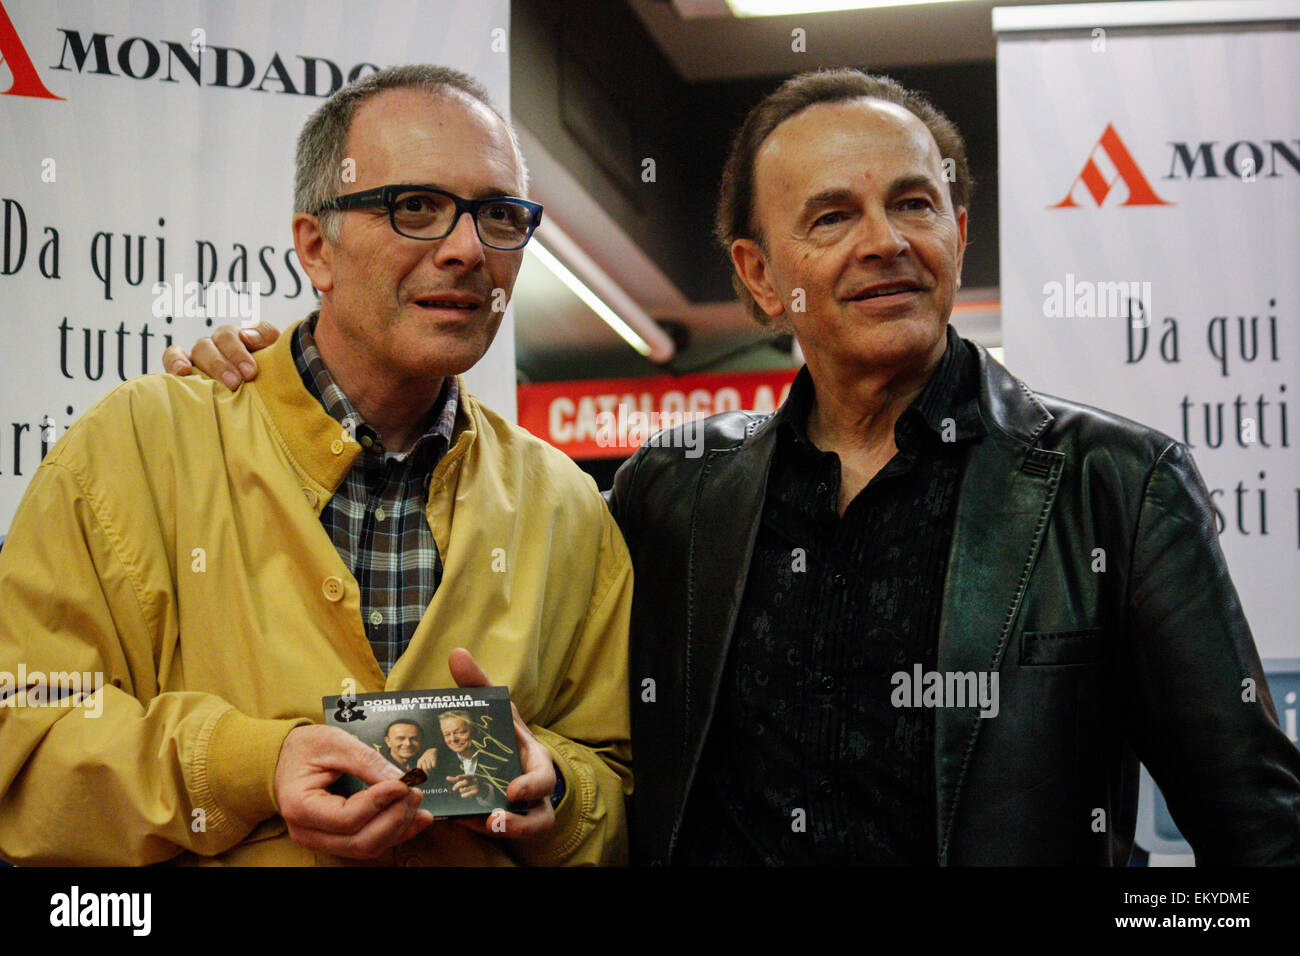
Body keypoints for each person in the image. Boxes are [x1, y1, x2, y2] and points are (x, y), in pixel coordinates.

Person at [170, 69, 1300, 866]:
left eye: (914, 203)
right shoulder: (670, 495)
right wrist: (272, 365)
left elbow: (1256, 824)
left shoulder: (1116, 485)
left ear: (960, 228)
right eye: (831, 215)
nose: (883, 241)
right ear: (760, 278)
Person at [0, 65, 632, 866]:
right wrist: (251, 768)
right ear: (315, 248)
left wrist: (560, 793)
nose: (470, 250)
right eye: (417, 208)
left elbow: (622, 786)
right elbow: (25, 743)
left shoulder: (567, 505)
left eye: (500, 216)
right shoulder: (134, 447)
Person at [438, 711, 510, 806]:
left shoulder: (502, 758)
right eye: (447, 734)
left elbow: (512, 802)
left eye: (460, 732)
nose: (453, 739)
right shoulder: (440, 762)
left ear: (477, 731)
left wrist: (484, 791)